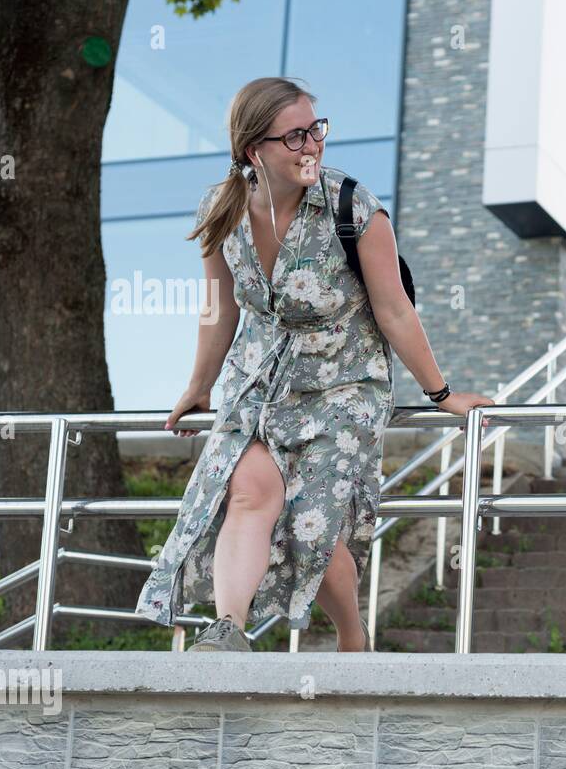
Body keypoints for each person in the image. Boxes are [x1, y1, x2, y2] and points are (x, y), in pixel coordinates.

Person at [135, 77, 493, 652]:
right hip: (260, 381)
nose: (312, 145)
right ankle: (229, 630)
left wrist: (441, 393)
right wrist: (197, 386)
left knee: (313, 528)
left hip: (343, 383)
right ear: (256, 151)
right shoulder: (220, 210)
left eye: (315, 130)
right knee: (249, 492)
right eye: (295, 135)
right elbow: (219, 307)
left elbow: (395, 311)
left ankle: (353, 636)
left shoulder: (355, 208)